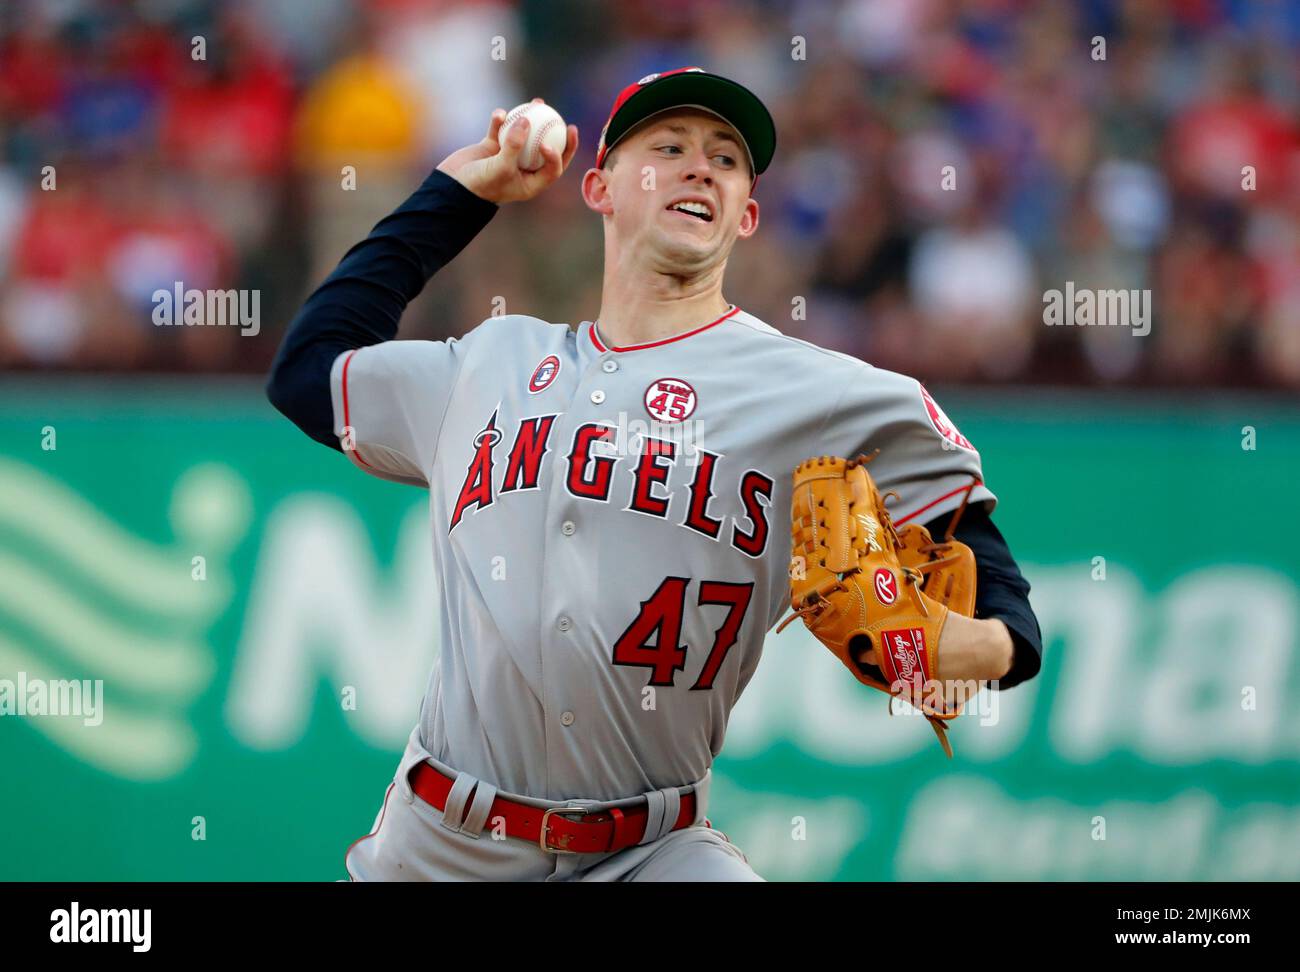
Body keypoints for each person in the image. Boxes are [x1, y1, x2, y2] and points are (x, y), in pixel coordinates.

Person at [266, 67, 1042, 881]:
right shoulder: (488, 364)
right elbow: (308, 371)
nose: (698, 166)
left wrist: (963, 650)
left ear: (745, 215)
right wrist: (465, 191)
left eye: (725, 159)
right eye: (667, 148)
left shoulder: (825, 396)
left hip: (654, 851)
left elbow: (1000, 599)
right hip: (442, 846)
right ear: (600, 188)